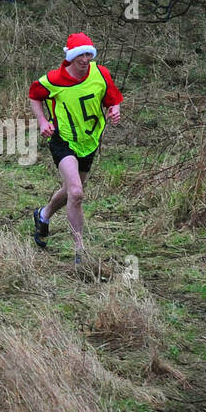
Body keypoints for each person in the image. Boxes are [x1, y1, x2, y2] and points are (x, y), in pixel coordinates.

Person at [29, 33, 123, 265]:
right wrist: (43, 122)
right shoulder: (53, 80)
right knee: (77, 193)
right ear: (70, 57)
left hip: (89, 141)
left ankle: (43, 215)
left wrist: (114, 110)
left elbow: (112, 99)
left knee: (71, 191)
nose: (84, 59)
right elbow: (34, 95)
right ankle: (79, 249)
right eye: (79, 54)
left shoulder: (101, 74)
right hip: (63, 139)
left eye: (88, 54)